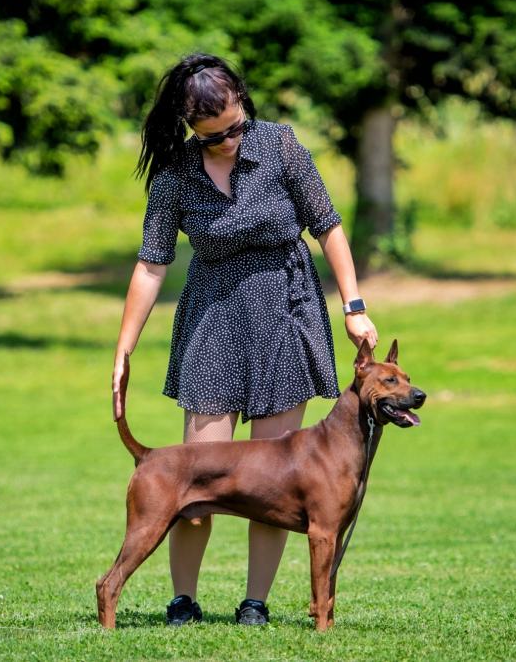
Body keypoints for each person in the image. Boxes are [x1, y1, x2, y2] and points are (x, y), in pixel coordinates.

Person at [111, 53, 378, 626]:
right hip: (212, 318)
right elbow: (151, 264)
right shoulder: (175, 174)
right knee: (196, 478)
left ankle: (255, 604)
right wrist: (124, 346)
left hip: (286, 311)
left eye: (235, 126)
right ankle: (183, 601)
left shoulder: (280, 145)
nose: (230, 140)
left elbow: (328, 226)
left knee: (274, 482)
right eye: (213, 137)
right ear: (190, 130)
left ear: (243, 104)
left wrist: (353, 306)